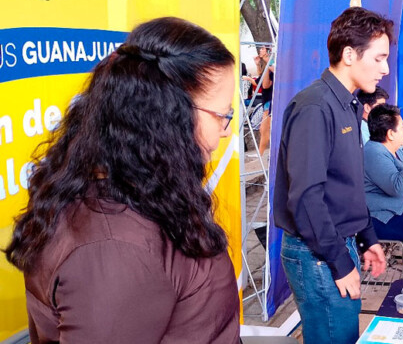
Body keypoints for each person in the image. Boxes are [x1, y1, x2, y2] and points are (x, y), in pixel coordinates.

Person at [3, 17, 241, 343]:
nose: (226, 131)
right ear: (168, 116)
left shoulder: (143, 190)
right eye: (223, 115)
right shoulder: (115, 253)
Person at [273, 7, 388, 344]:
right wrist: (339, 260)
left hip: (336, 244)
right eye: (379, 58)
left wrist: (366, 237)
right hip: (318, 254)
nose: (385, 69)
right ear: (349, 55)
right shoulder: (315, 107)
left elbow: (346, 185)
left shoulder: (348, 104)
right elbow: (306, 197)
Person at [363, 104, 403, 278]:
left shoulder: (396, 151)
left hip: (396, 212)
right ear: (391, 134)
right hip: (379, 217)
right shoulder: (373, 152)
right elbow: (398, 188)